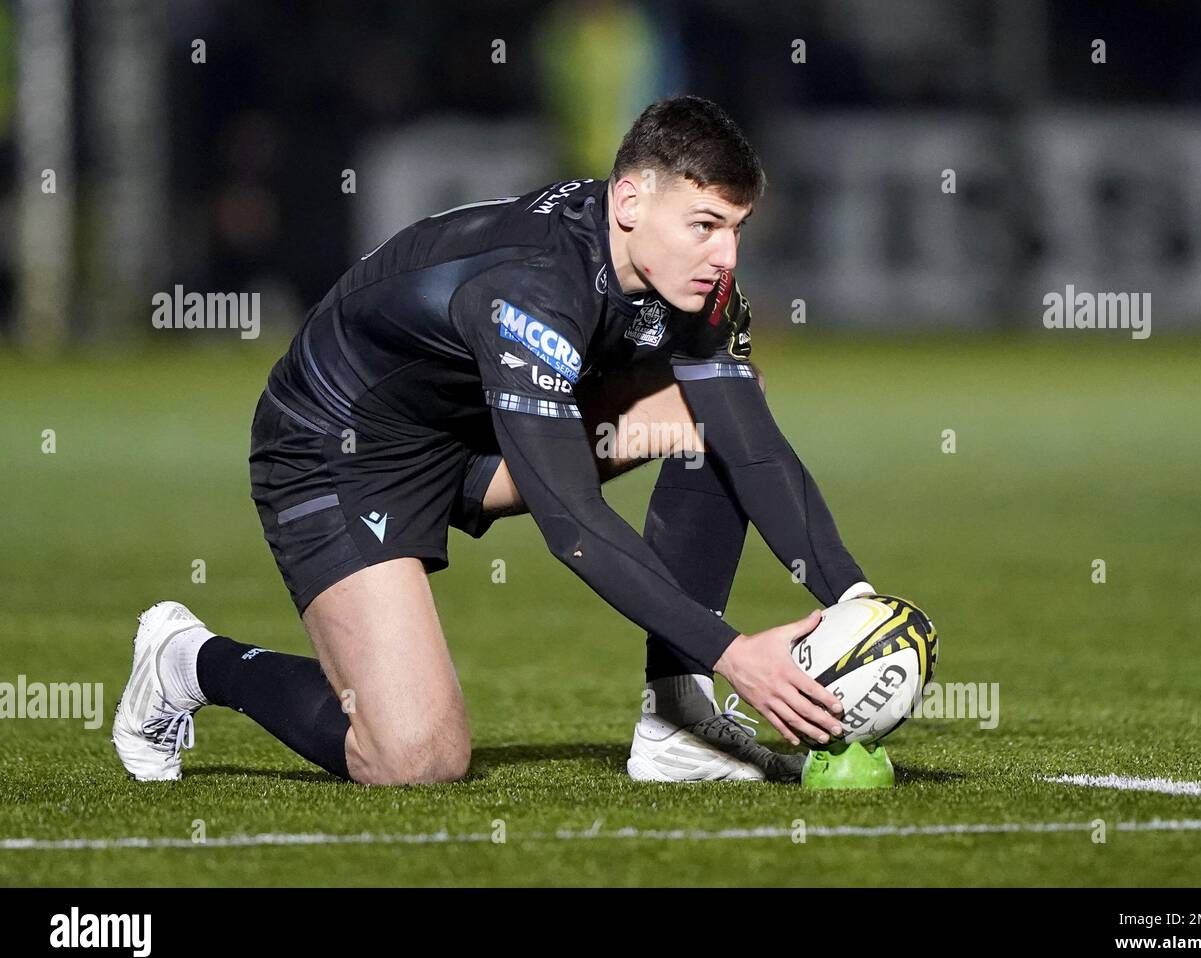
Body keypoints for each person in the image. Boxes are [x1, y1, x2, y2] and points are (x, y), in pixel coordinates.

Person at [112, 95, 875, 786]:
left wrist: (859, 601)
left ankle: (677, 720)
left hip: (476, 422)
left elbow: (755, 449)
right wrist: (737, 652)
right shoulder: (534, 287)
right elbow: (571, 525)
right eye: (705, 226)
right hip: (337, 444)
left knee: (717, 409)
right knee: (413, 759)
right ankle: (189, 660)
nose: (727, 257)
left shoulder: (695, 285)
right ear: (631, 201)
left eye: (736, 229)